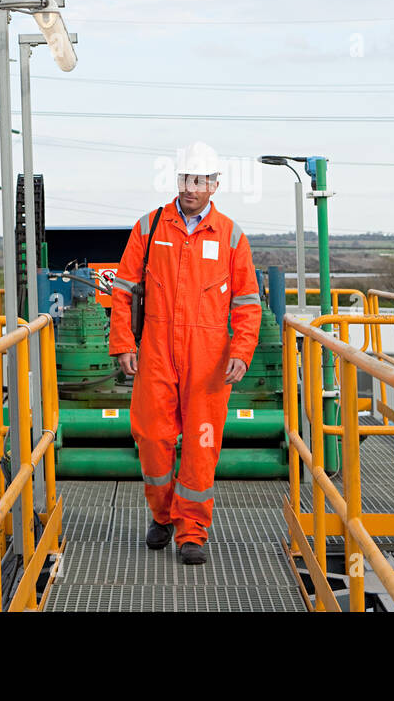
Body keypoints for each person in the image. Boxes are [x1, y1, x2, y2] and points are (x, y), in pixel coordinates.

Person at [108, 142, 262, 565]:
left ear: (214, 184)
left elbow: (248, 303)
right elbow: (122, 291)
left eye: (199, 180)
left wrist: (241, 352)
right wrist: (123, 342)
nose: (190, 187)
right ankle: (162, 516)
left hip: (208, 359)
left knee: (200, 445)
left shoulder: (230, 235)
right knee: (152, 438)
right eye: (184, 179)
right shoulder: (149, 227)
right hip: (156, 351)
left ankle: (191, 531)